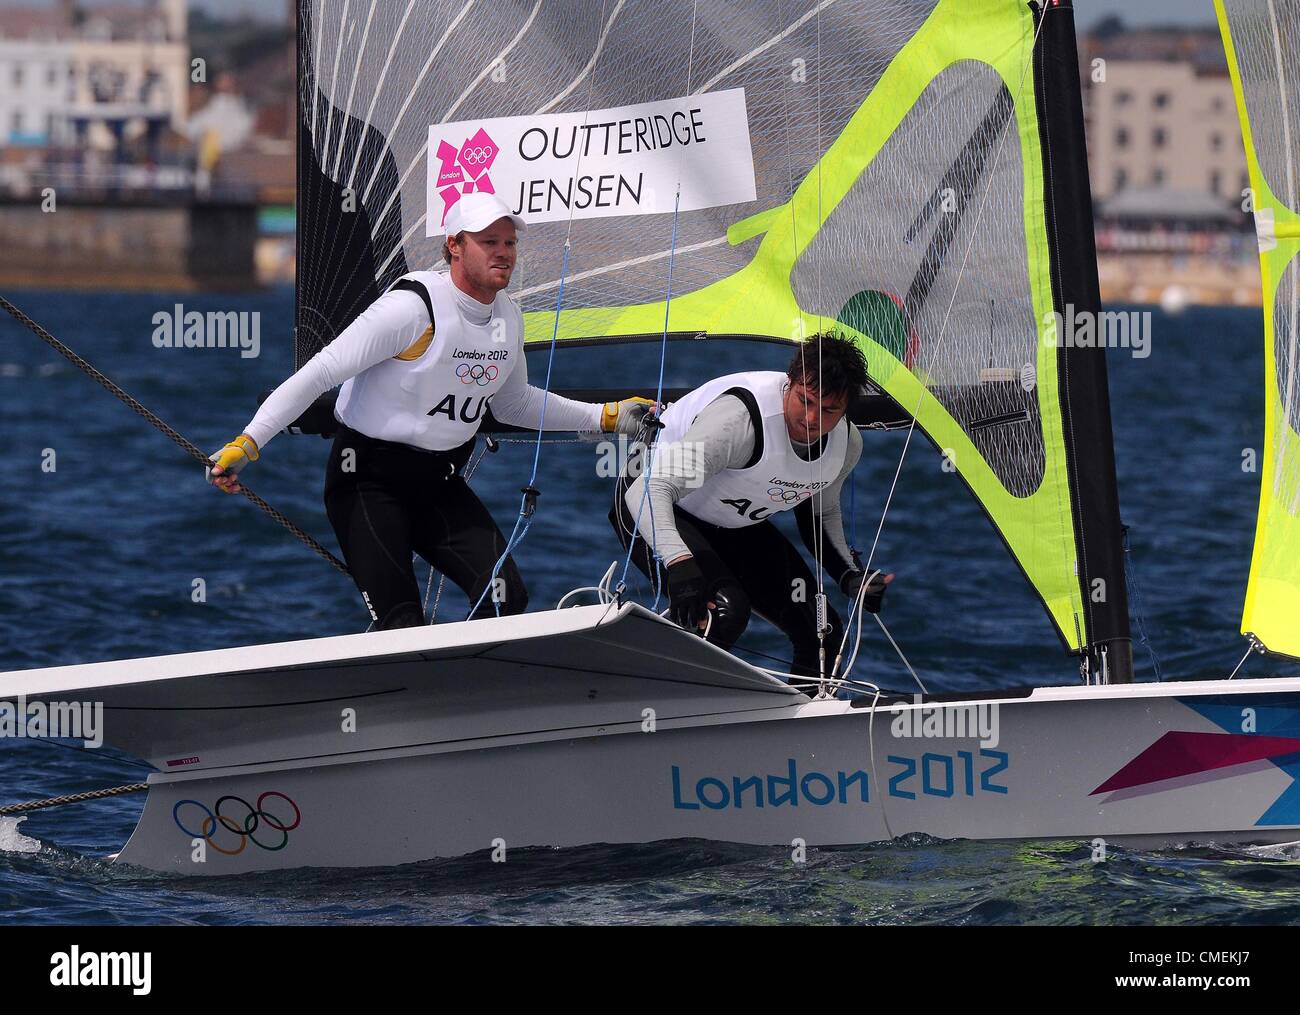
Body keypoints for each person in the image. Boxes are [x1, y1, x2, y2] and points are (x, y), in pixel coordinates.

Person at [209, 192, 652, 629]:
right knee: (402, 623)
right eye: (488, 242)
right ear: (454, 246)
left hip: (439, 485)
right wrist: (248, 444)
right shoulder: (411, 308)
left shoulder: (508, 318)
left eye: (509, 243)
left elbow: (514, 402)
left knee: (506, 597)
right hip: (367, 483)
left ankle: (467, 687)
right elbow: (321, 372)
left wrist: (607, 417)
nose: (503, 253)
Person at [611, 332, 892, 680]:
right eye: (805, 400)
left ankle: (797, 729)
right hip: (653, 508)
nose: (812, 419)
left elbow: (820, 514)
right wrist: (679, 562)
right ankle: (648, 705)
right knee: (724, 612)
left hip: (731, 525)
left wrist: (849, 576)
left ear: (846, 409)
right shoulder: (739, 423)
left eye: (830, 410)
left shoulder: (846, 446)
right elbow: (646, 490)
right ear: (789, 384)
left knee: (823, 633)